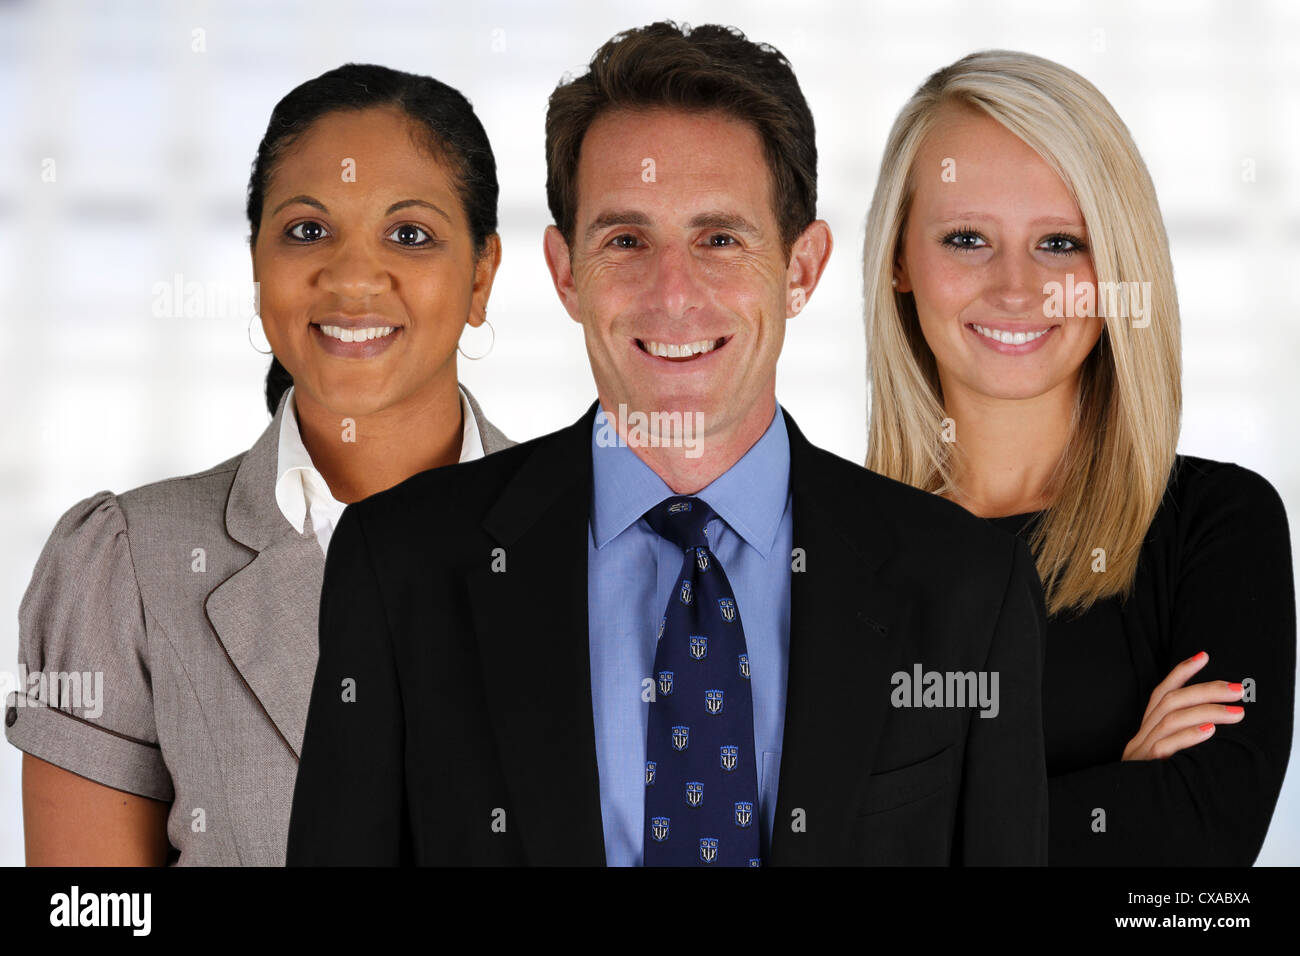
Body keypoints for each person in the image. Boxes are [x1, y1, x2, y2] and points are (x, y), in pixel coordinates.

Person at [287, 23, 1048, 867]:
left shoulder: (966, 585)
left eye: (720, 239)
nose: (672, 294)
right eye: (625, 240)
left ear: (801, 270)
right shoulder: (400, 565)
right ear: (566, 271)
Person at [5, 63, 514, 865]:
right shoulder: (128, 566)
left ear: (481, 275)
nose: (351, 277)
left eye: (409, 234)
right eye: (308, 231)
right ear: (255, 263)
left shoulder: (601, 538)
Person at [862, 50, 1294, 864]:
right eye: (966, 238)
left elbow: (1203, 851)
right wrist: (1120, 789)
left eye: (1060, 242)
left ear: (1115, 267)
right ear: (897, 261)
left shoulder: (1219, 527)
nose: (1018, 288)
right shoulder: (818, 549)